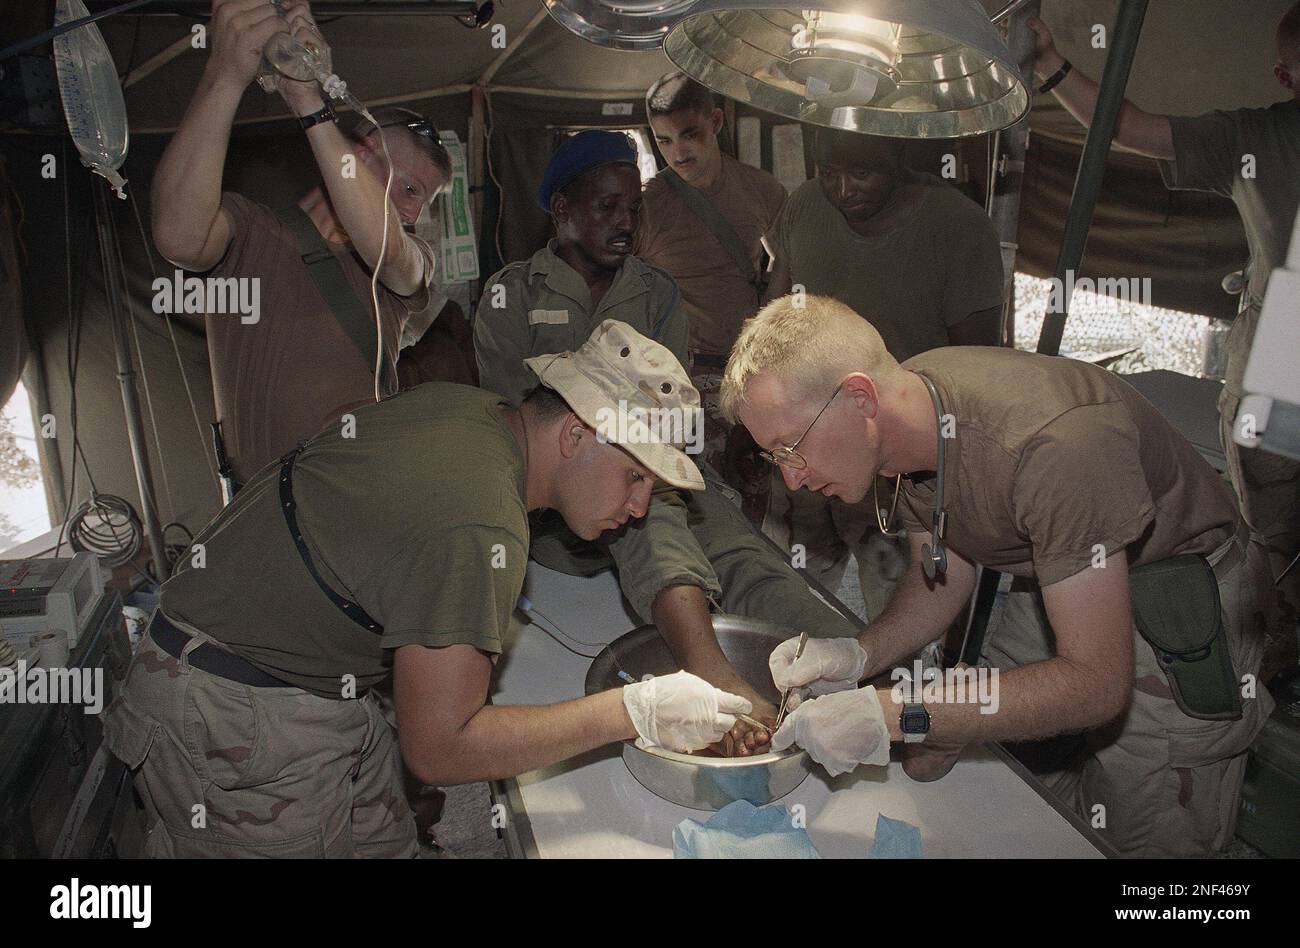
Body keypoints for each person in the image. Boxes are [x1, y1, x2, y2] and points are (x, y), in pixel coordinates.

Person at [102, 322, 749, 857]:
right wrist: (633, 712)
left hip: (310, 674)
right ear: (577, 434)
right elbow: (441, 747)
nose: (638, 509)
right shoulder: (480, 516)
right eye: (636, 477)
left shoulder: (471, 412)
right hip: (230, 702)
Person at [724, 295, 1273, 857]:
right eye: (775, 458)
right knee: (1010, 791)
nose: (791, 482)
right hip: (1056, 574)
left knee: (1143, 834)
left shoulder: (1059, 446)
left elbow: (1095, 686)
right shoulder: (909, 417)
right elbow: (943, 572)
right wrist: (859, 655)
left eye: (791, 449)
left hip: (1168, 600)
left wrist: (896, 714)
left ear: (860, 397)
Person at [474, 131, 862, 756]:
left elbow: (667, 420)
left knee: (737, 543)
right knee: (650, 514)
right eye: (606, 208)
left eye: (633, 208)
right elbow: (528, 425)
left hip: (651, 470)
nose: (625, 222)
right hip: (564, 499)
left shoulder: (656, 293)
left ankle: (854, 673)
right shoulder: (510, 295)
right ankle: (715, 673)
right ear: (562, 209)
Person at [1029, 8, 1300, 674]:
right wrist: (1048, 64)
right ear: (1286, 76)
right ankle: (1266, 669)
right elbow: (1130, 126)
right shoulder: (1260, 138)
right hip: (1286, 346)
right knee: (1273, 541)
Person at [151, 0, 449, 488]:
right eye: (410, 189)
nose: (414, 212)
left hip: (362, 494)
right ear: (361, 156)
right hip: (259, 515)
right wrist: (226, 75)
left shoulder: (400, 268)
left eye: (425, 201)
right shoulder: (251, 230)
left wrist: (309, 103)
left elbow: (387, 250)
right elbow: (178, 238)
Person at [763, 128, 1005, 616]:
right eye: (829, 173)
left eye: (861, 173)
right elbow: (773, 317)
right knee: (789, 588)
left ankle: (897, 686)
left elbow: (980, 364)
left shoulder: (956, 226)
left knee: (904, 604)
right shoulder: (806, 207)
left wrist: (950, 472)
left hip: (899, 465)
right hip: (805, 444)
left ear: (899, 156)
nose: (843, 190)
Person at [636, 72, 786, 515]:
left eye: (690, 135)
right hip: (680, 377)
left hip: (749, 376)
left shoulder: (760, 190)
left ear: (716, 121)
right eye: (663, 141)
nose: (678, 152)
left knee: (753, 507)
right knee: (691, 508)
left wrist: (765, 336)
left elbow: (790, 265)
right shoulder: (648, 204)